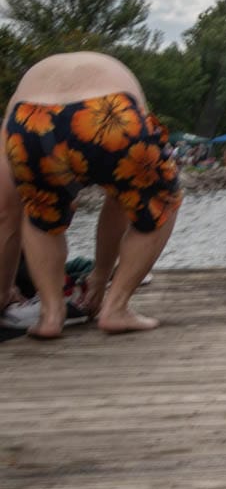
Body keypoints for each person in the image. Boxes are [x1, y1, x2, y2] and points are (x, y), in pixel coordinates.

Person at [2, 52, 182, 338]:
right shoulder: (110, 70)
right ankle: (116, 307)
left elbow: (7, 211)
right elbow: (122, 203)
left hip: (29, 119)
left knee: (39, 213)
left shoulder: (20, 97)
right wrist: (100, 276)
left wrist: (4, 291)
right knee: (160, 201)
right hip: (109, 109)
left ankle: (50, 314)